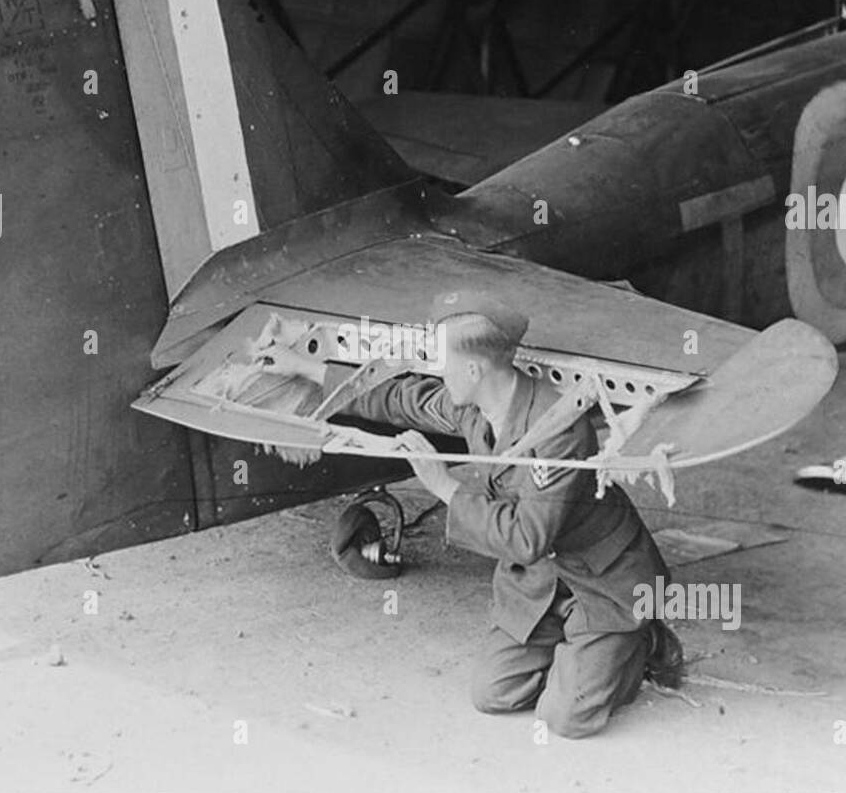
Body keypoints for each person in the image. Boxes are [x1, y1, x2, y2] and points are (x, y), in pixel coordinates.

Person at [254, 289, 683, 739]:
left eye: (444, 363)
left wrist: (442, 485)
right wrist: (304, 368)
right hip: (540, 582)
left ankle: (640, 641)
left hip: (603, 580)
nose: (438, 371)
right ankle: (581, 649)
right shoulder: (475, 408)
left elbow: (526, 539)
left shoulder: (559, 429)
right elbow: (400, 399)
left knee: (564, 719)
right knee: (492, 693)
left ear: (474, 369)